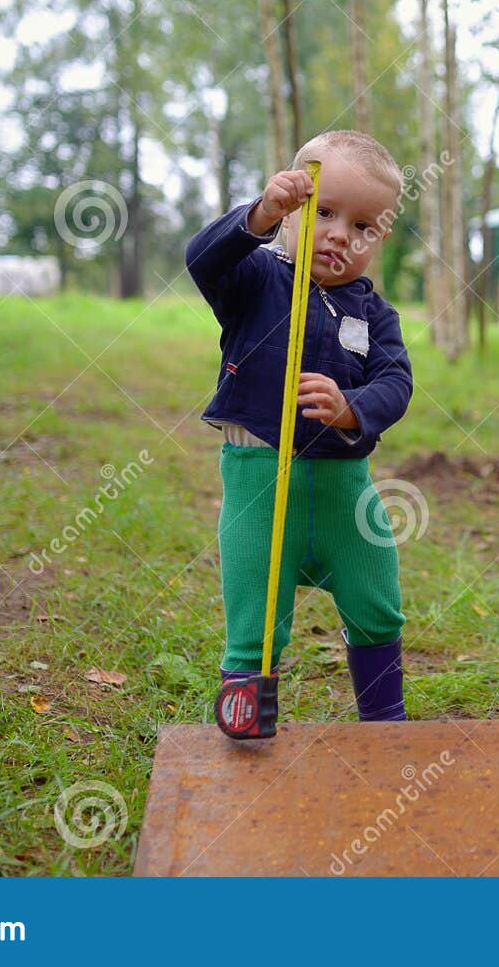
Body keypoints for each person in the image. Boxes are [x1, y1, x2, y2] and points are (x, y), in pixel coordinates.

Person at [184, 130, 414, 721]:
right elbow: (202, 259)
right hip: (259, 482)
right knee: (256, 611)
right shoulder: (256, 280)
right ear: (292, 211)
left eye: (363, 226)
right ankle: (247, 712)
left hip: (346, 490)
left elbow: (396, 384)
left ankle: (384, 718)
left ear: (379, 236)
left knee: (376, 599)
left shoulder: (375, 313)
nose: (341, 234)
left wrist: (352, 407)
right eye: (325, 211)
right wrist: (258, 214)